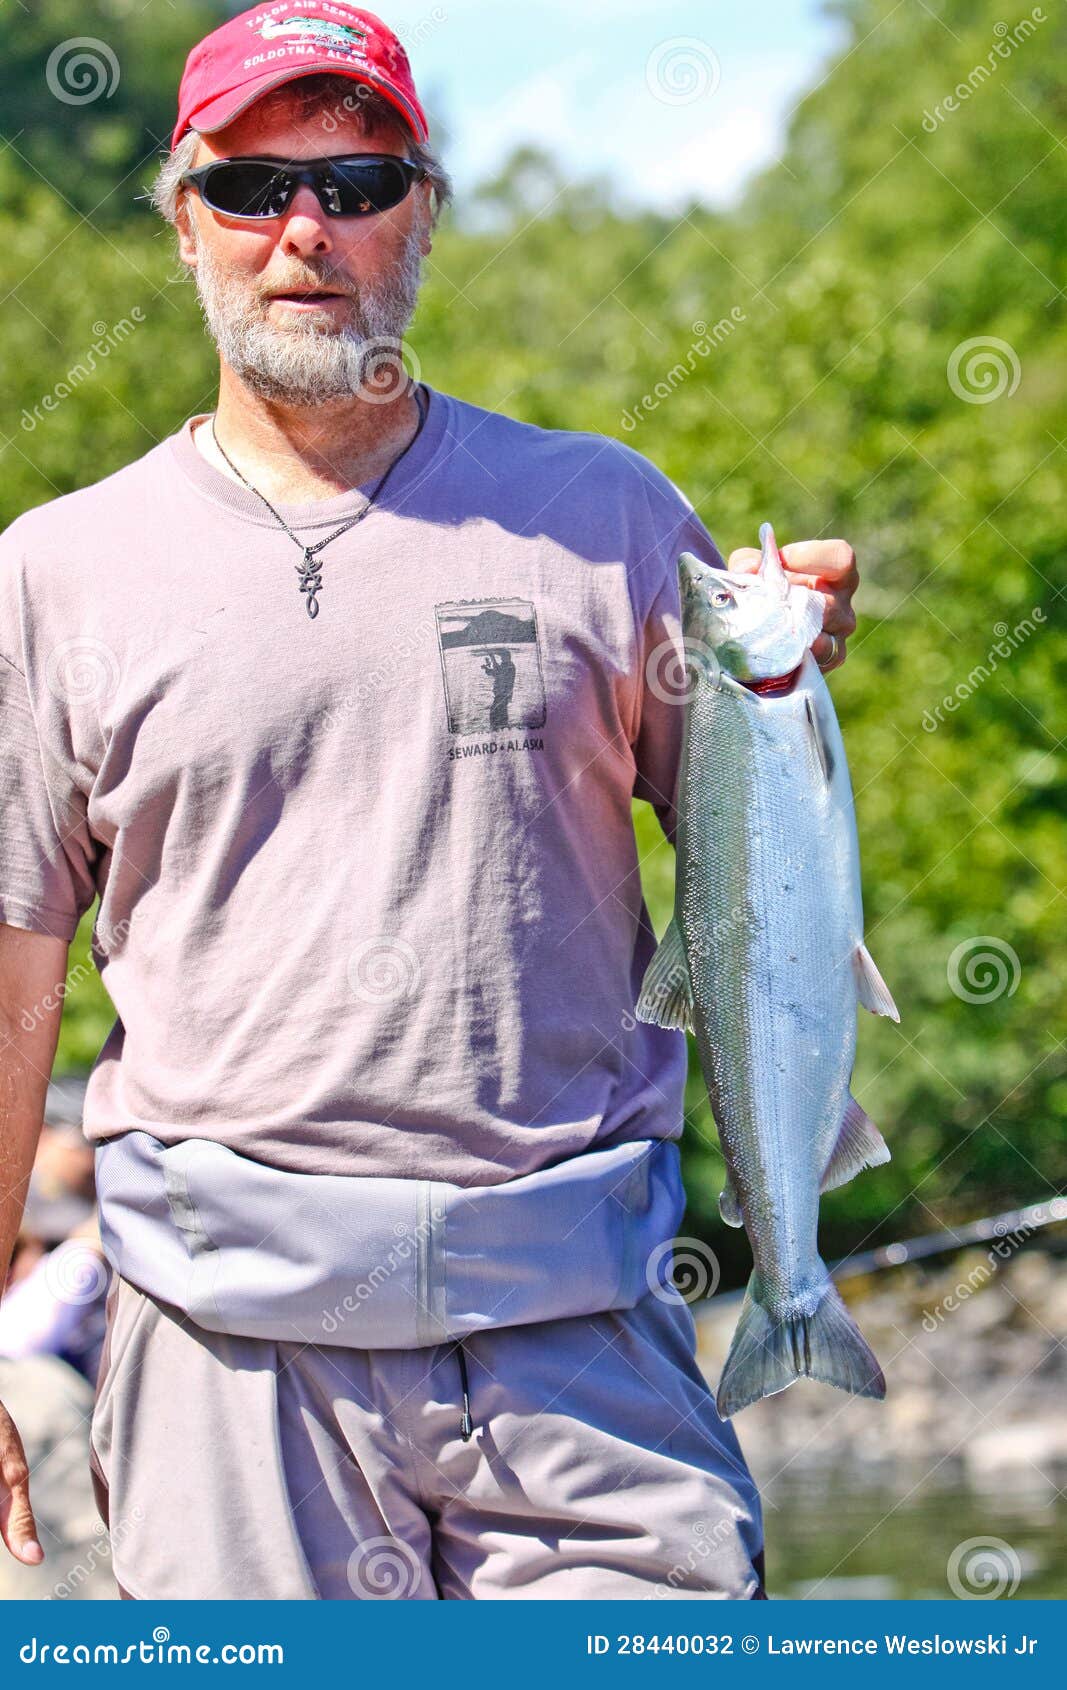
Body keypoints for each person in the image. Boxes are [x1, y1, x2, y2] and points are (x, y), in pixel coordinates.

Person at [0, 3, 859, 1600]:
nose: (303, 229)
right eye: (250, 186)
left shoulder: (606, 514)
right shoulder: (53, 573)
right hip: (229, 1371)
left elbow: (770, 905)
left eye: (358, 181)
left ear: (425, 212)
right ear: (184, 220)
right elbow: (13, 985)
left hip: (581, 1346)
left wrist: (798, 687)